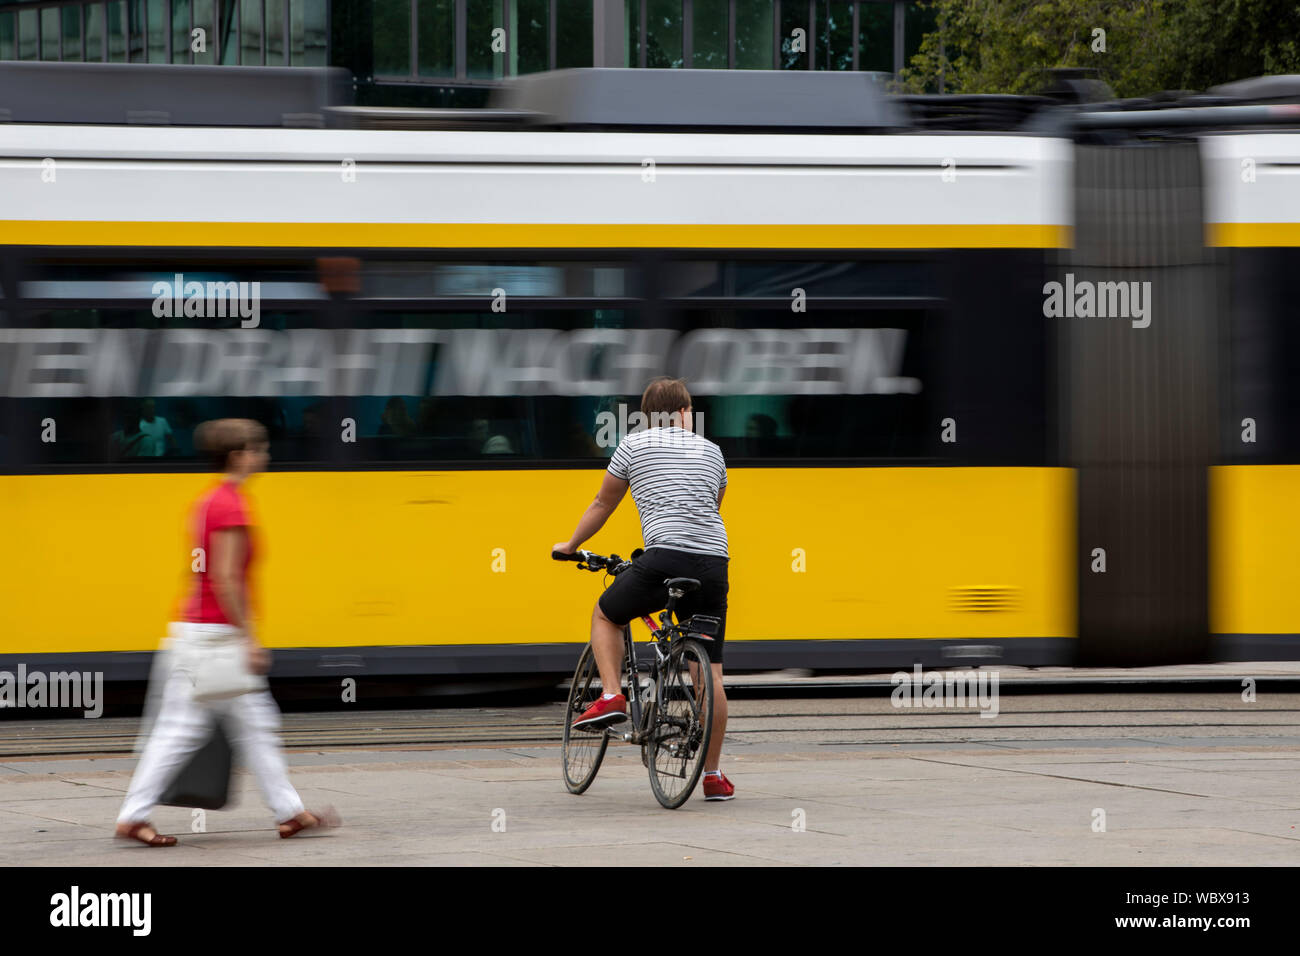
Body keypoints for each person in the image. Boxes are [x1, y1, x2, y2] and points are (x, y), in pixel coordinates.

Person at [115, 418, 339, 846]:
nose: (265, 455)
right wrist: (250, 637)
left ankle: (290, 812)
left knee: (245, 725)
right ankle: (133, 815)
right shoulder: (231, 505)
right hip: (214, 639)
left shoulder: (208, 501)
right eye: (259, 448)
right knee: (195, 730)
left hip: (198, 635)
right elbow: (225, 578)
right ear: (239, 456)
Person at [552, 378, 735, 801]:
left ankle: (613, 695)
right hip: (713, 565)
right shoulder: (711, 451)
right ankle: (713, 775)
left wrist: (571, 546)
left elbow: (603, 503)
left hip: (663, 557)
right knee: (710, 671)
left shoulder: (633, 446)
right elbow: (712, 504)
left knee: (606, 613)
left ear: (647, 413)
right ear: (685, 411)